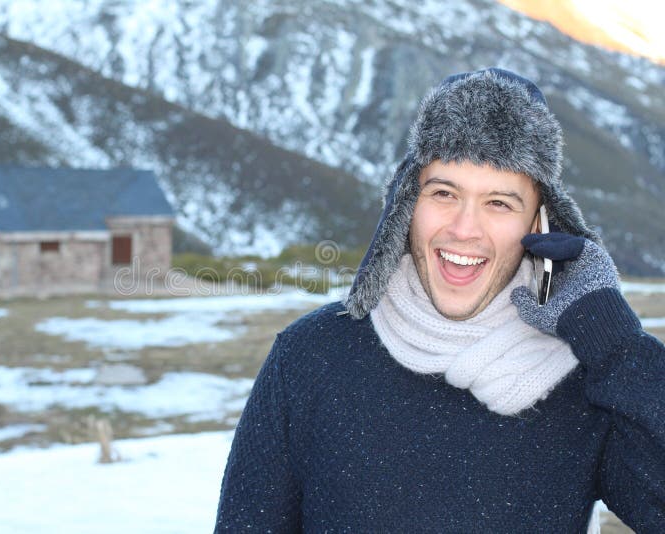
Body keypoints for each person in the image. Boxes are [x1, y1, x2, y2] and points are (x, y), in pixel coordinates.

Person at [214, 68, 665, 532]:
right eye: (444, 193)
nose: (464, 228)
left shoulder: (583, 378)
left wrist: (615, 341)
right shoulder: (310, 357)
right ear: (407, 204)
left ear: (541, 224)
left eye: (499, 203)